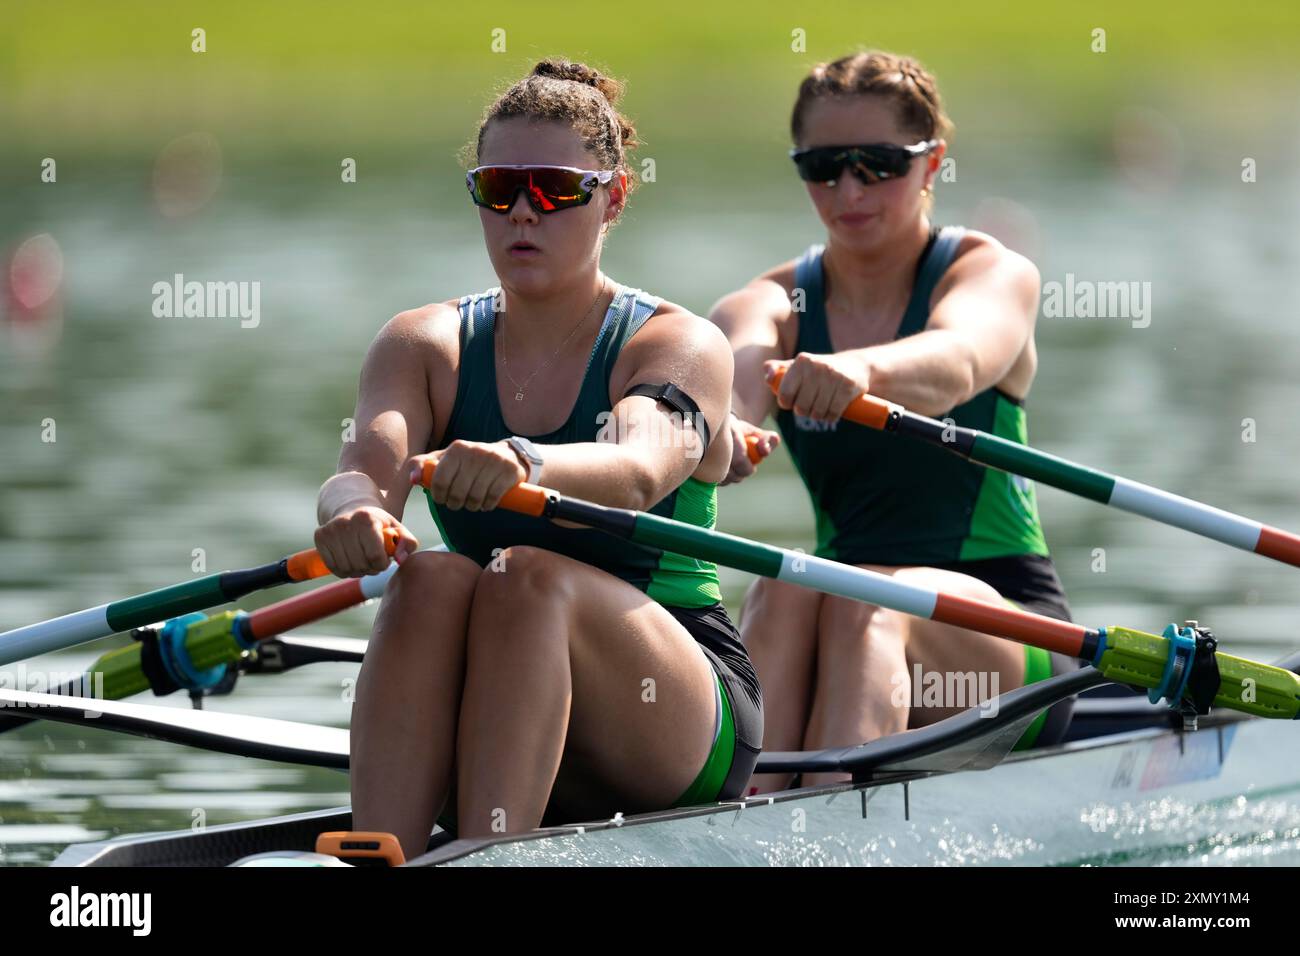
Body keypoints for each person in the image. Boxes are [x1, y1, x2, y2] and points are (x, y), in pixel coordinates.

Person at [315, 59, 761, 858]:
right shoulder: (423, 345)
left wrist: (523, 465)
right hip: (506, 699)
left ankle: (491, 855)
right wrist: (346, 511)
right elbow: (365, 467)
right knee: (428, 576)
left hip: (674, 713)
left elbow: (636, 470)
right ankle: (379, 851)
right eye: (498, 188)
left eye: (555, 188)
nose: (524, 211)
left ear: (613, 197)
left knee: (522, 574)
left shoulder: (677, 342)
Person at [711, 51, 1073, 792]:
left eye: (878, 163)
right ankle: (741, 820)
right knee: (780, 588)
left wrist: (861, 373)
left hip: (1011, 636)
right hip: (838, 611)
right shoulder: (775, 301)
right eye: (822, 166)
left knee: (866, 605)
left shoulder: (989, 273)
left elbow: (960, 361)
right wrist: (723, 434)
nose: (848, 189)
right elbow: (729, 384)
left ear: (933, 162)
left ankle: (831, 835)